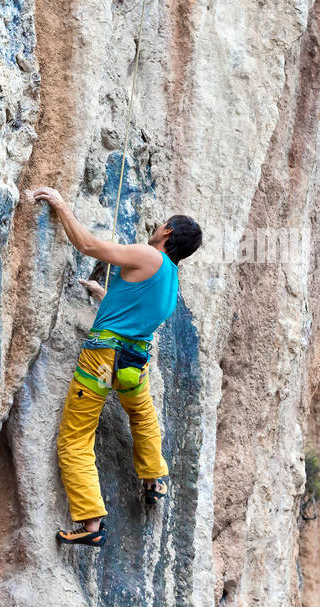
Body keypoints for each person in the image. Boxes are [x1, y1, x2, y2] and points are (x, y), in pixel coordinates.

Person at [26, 186, 202, 547]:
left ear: (167, 232)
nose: (156, 227)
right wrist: (103, 296)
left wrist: (60, 205)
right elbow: (135, 315)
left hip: (103, 361)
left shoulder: (147, 254)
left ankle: (91, 525)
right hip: (131, 366)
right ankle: (154, 478)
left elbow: (89, 246)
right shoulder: (170, 281)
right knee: (141, 414)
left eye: (161, 225)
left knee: (75, 437)